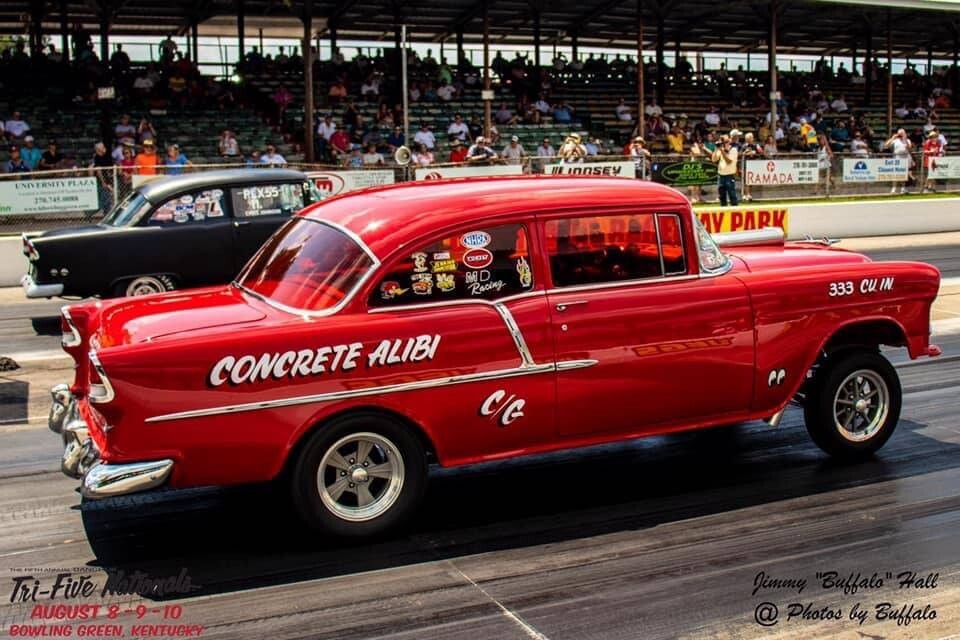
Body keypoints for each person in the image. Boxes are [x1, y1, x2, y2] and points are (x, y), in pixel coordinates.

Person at [711, 134, 739, 206]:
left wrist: (721, 150)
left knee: (732, 196)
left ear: (729, 141)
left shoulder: (733, 149)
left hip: (729, 176)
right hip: (721, 176)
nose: (725, 144)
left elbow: (728, 161)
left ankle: (735, 211)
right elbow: (714, 159)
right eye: (723, 142)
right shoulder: (721, 149)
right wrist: (716, 148)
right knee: (722, 197)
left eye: (726, 142)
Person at [883, 128, 912, 194]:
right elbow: (886, 146)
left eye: (902, 133)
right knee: (895, 174)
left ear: (905, 134)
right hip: (897, 157)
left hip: (905, 158)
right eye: (900, 133)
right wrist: (892, 138)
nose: (901, 135)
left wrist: (905, 140)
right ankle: (894, 189)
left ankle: (903, 188)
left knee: (903, 174)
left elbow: (909, 148)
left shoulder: (907, 140)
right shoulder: (895, 140)